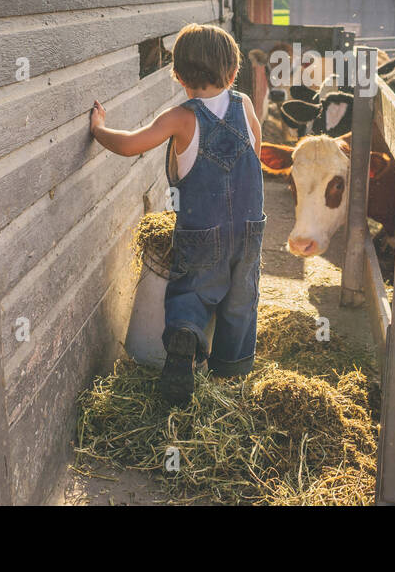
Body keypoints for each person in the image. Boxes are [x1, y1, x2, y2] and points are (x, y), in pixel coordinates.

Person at [89, 24, 265, 405]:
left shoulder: (180, 119)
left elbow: (130, 144)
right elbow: (258, 150)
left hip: (202, 231)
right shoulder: (246, 105)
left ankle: (186, 336)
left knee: (193, 291)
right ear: (234, 74)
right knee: (241, 300)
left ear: (178, 75)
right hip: (250, 230)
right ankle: (229, 376)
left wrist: (100, 129)